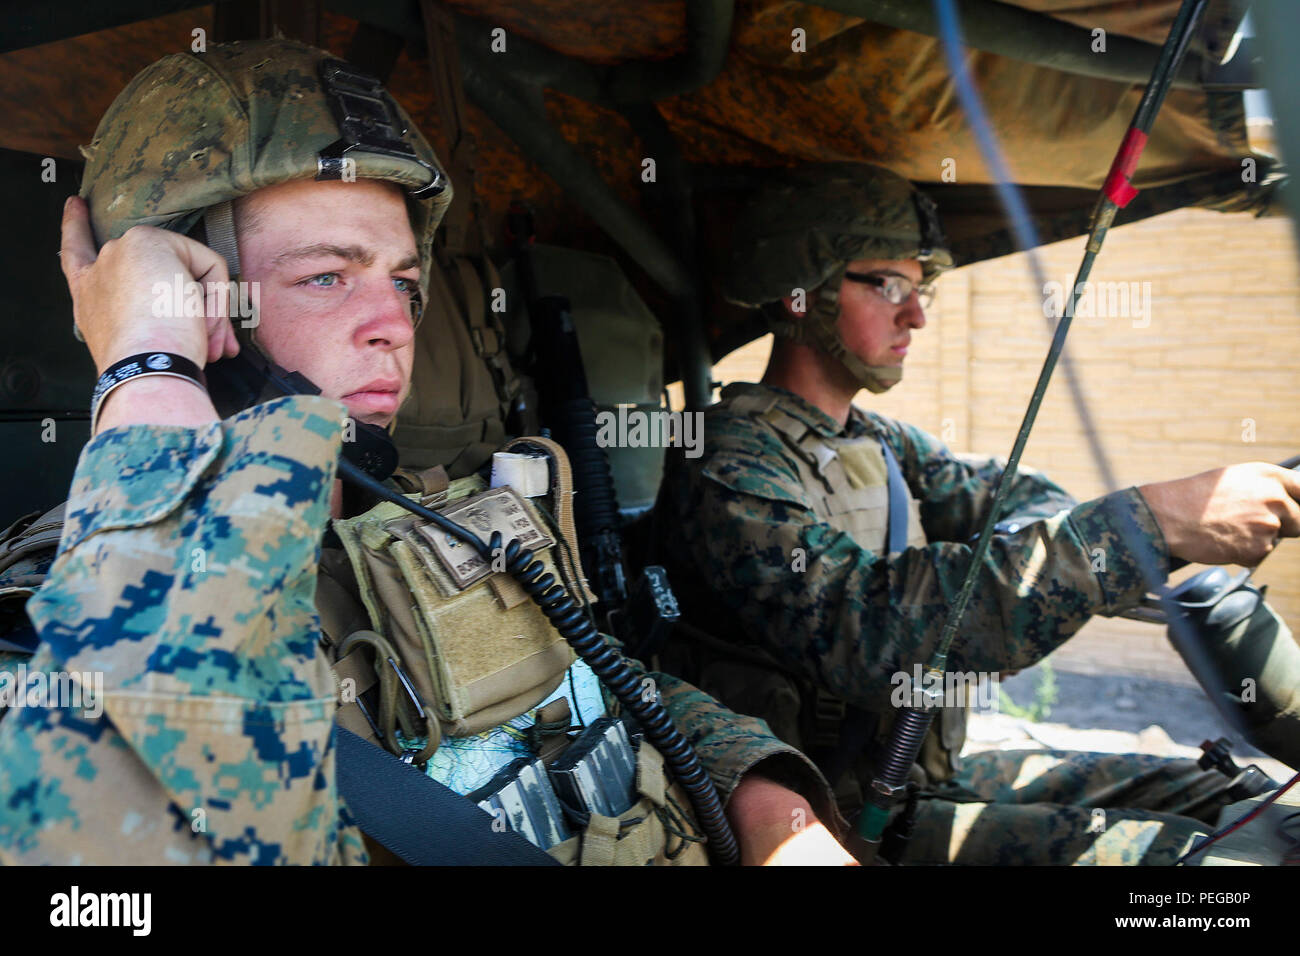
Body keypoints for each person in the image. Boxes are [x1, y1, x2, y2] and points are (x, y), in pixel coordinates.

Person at [0, 39, 853, 866]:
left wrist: (764, 800)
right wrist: (150, 366)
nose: (395, 326)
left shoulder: (443, 511)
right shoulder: (58, 622)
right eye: (327, 277)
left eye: (404, 283)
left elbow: (608, 691)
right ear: (193, 301)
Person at [654, 162, 1300, 865]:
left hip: (922, 773)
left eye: (920, 287)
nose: (918, 314)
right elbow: (864, 624)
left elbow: (1014, 496)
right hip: (843, 812)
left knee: (1222, 794)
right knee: (1210, 859)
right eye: (890, 285)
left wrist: (1124, 543)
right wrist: (1145, 525)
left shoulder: (873, 438)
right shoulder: (728, 459)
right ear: (800, 294)